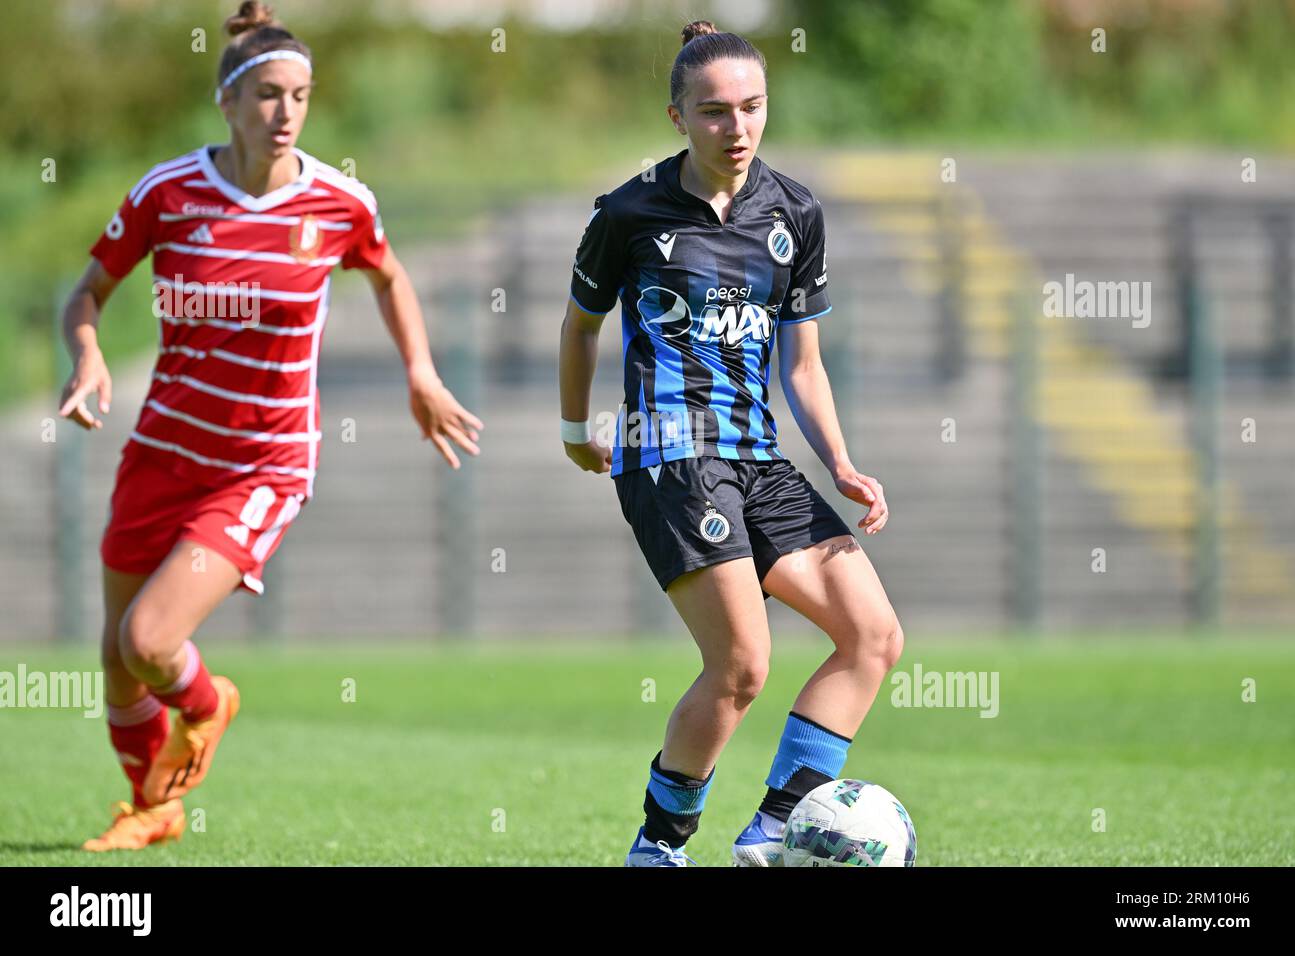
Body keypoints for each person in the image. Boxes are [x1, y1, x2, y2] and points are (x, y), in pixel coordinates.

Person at [60, 0, 483, 851]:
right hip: (159, 451)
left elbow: (391, 275)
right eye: (265, 94)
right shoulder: (168, 193)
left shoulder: (338, 202)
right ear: (226, 100)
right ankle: (152, 806)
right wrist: (89, 356)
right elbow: (87, 294)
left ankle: (210, 705)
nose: (284, 112)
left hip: (263, 463)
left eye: (300, 95)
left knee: (150, 640)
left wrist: (421, 373)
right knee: (115, 658)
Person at [558, 20, 904, 866]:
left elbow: (804, 363)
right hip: (669, 456)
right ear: (677, 116)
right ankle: (660, 846)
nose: (738, 128)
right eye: (715, 112)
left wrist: (840, 460)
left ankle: (778, 826)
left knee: (873, 636)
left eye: (752, 107)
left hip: (759, 459)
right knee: (744, 663)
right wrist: (575, 432)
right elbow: (579, 328)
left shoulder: (794, 211)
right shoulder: (629, 212)